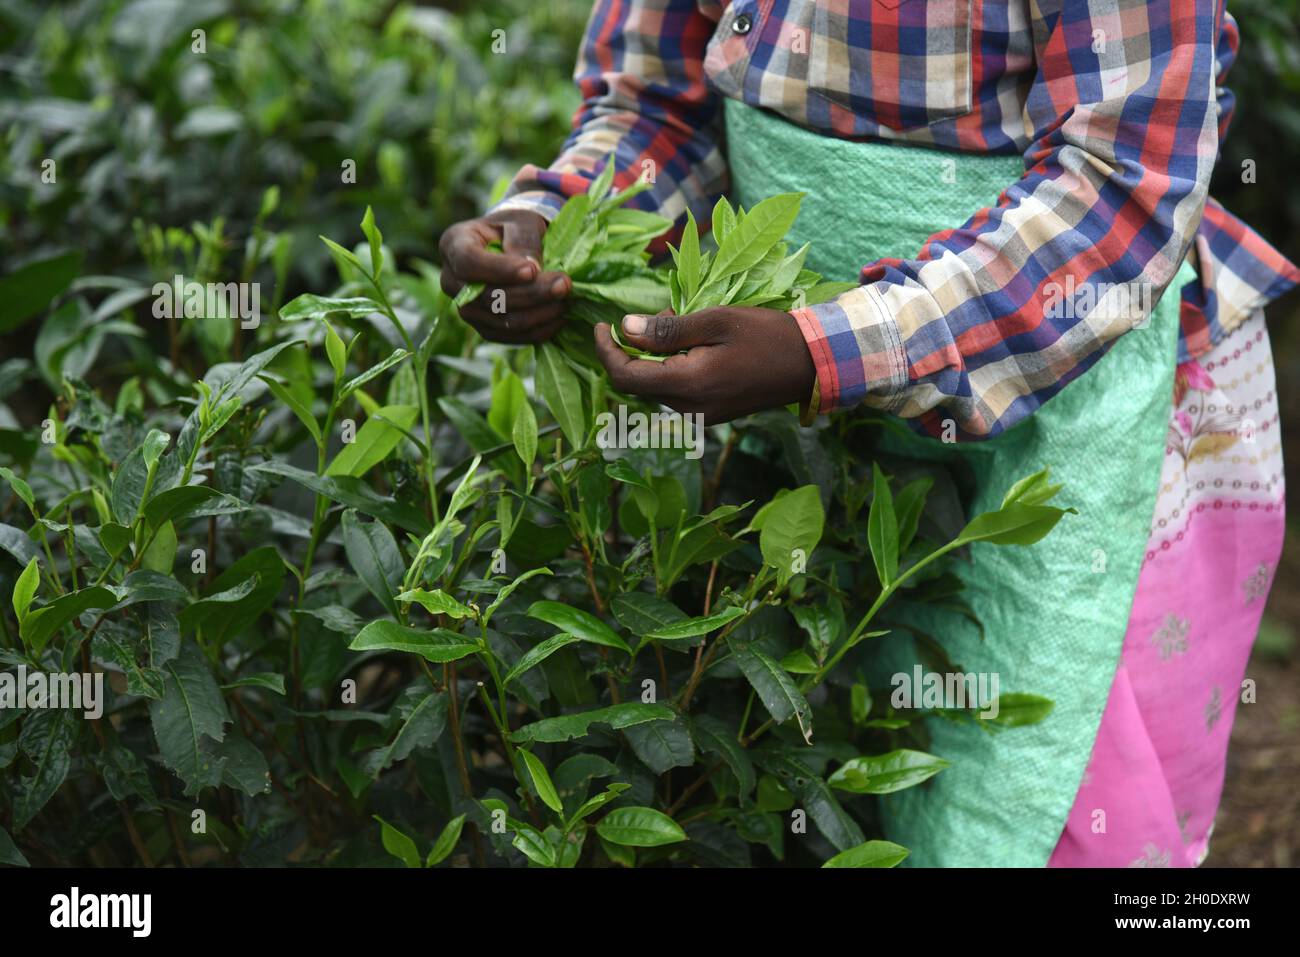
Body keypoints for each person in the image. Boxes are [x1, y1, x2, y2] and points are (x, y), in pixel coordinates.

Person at [439, 1, 1298, 866]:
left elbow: (1121, 183)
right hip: (787, 417)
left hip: (1068, 398)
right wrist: (561, 223)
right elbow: (663, 104)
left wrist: (827, 352)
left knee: (1048, 795)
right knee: (825, 780)